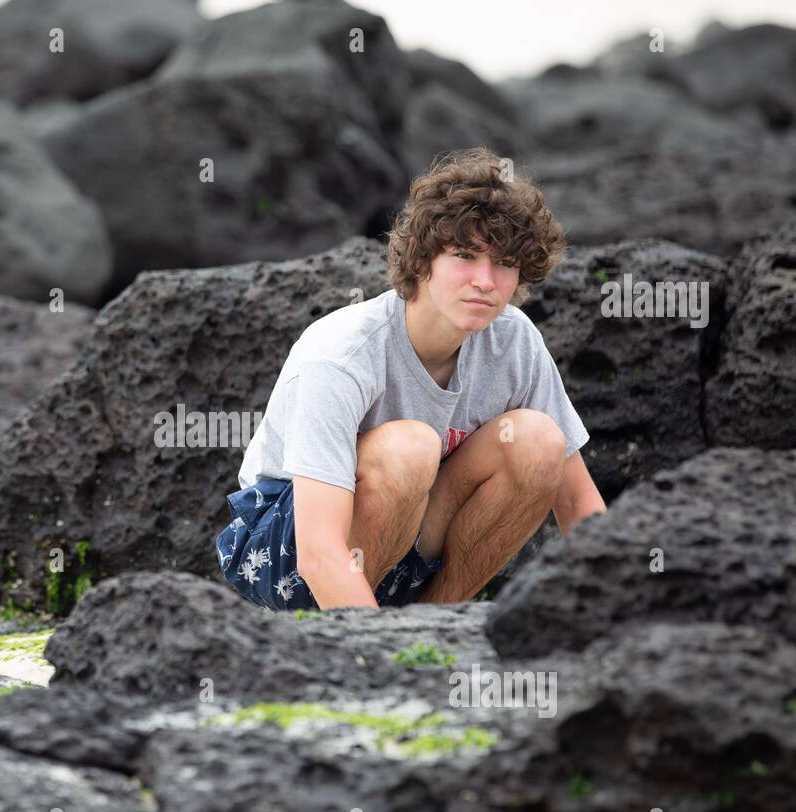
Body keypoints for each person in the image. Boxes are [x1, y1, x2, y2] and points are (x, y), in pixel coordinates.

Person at [215, 147, 607, 612]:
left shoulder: (514, 341)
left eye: (504, 263)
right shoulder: (343, 353)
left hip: (407, 544)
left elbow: (578, 501)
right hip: (286, 553)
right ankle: (356, 644)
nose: (485, 280)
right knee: (409, 448)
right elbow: (320, 553)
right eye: (464, 255)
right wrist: (374, 662)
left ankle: (434, 630)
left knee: (538, 441)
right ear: (422, 261)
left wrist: (621, 620)